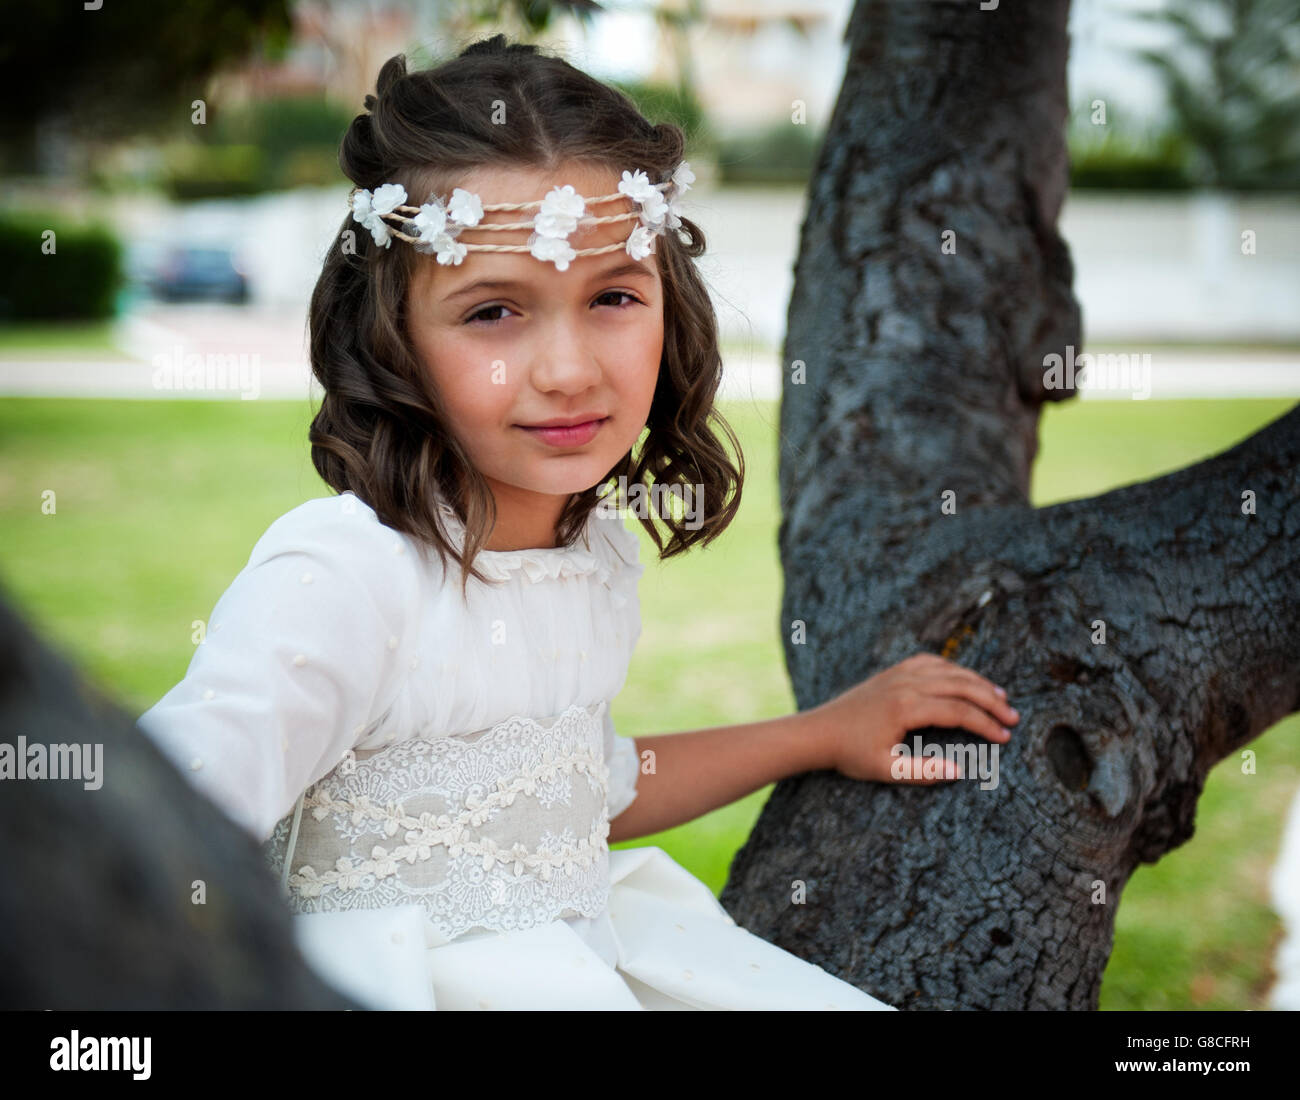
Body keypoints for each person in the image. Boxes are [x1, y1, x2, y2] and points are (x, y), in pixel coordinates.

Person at [136, 34, 1018, 1011]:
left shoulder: (590, 551)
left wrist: (821, 731)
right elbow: (151, 841)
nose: (566, 369)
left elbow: (574, 791)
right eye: (491, 312)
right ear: (389, 334)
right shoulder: (345, 576)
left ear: (667, 306)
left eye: (611, 297)